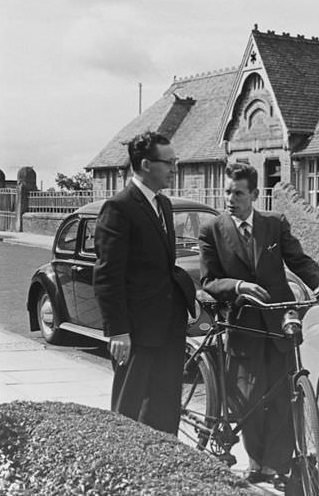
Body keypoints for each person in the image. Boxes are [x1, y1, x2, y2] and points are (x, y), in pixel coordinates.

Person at [198, 163, 319, 490]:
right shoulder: (213, 230)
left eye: (238, 193)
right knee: (249, 401)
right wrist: (238, 287)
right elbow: (209, 281)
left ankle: (279, 467)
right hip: (242, 326)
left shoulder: (274, 225)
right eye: (228, 192)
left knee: (282, 398)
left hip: (278, 324)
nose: (230, 199)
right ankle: (258, 463)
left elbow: (299, 260)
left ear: (255, 195)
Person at [94, 131, 196, 435]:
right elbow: (108, 275)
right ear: (145, 164)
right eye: (170, 162)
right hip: (136, 333)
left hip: (168, 328)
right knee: (129, 413)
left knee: (165, 412)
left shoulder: (163, 205)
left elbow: (162, 268)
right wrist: (118, 330)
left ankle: (164, 475)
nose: (175, 169)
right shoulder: (119, 208)